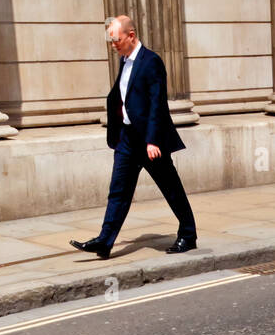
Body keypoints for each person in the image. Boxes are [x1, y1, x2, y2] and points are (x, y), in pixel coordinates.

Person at [71, 15, 197, 258]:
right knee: (118, 190)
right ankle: (104, 242)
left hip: (150, 141)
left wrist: (152, 141)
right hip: (127, 139)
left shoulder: (151, 62)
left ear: (131, 36)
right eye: (111, 41)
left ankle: (188, 235)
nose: (113, 45)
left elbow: (157, 105)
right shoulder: (124, 60)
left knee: (170, 187)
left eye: (116, 40)